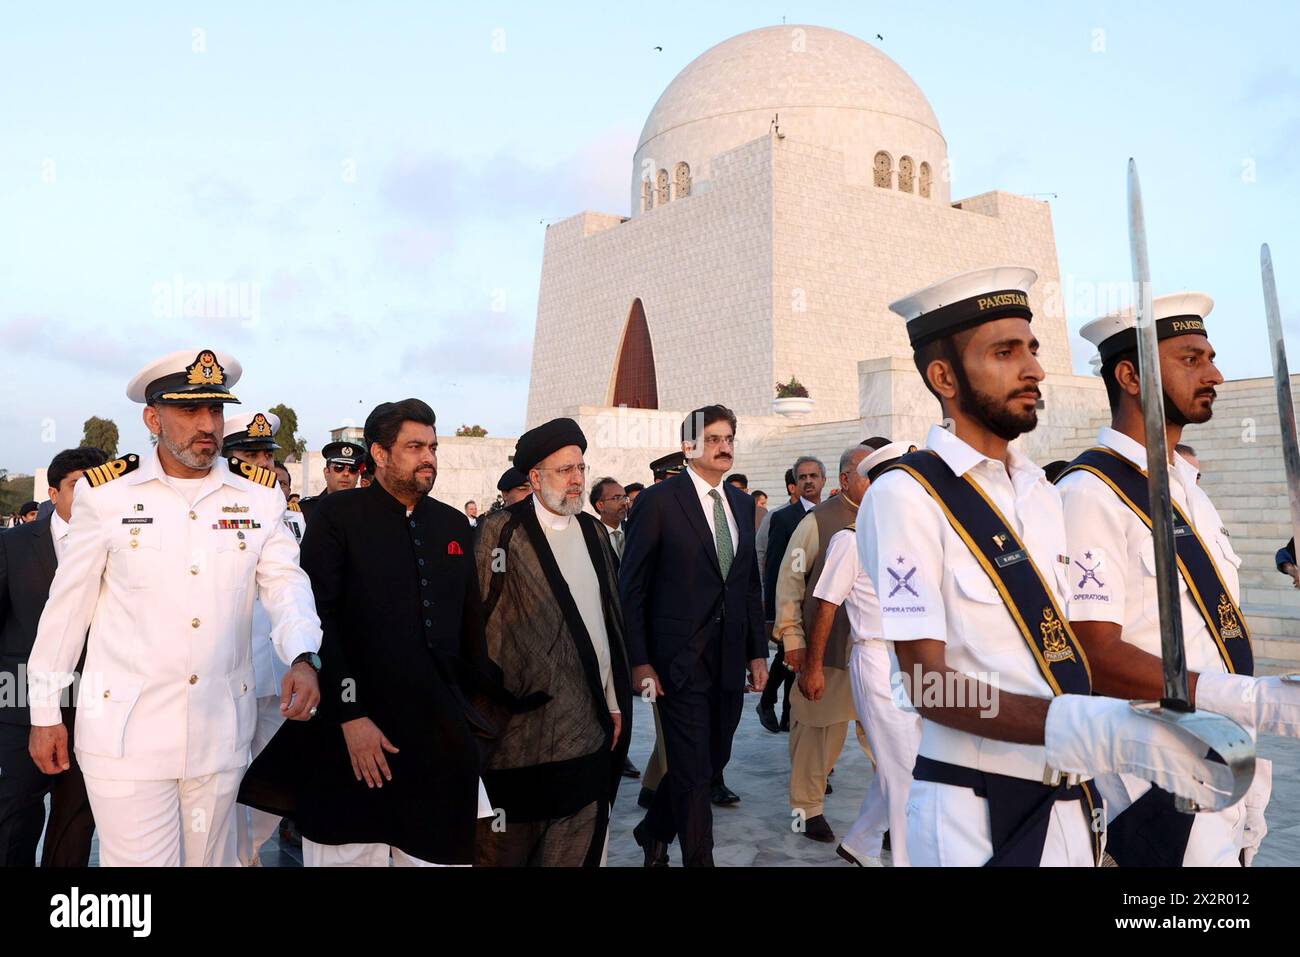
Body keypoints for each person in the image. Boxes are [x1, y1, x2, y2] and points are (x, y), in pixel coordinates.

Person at [861, 267, 1236, 866]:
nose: (1033, 369)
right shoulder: (907, 495)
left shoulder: (1041, 492)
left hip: (1070, 801)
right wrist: (1085, 726)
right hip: (974, 811)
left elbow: (1075, 647)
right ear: (943, 376)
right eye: (1004, 353)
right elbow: (927, 684)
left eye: (1032, 349)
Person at [26, 348, 322, 866]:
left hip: (220, 731)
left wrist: (302, 655)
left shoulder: (258, 498)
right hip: (126, 735)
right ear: (152, 417)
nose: (206, 425)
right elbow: (66, 609)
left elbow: (285, 584)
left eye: (214, 411)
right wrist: (46, 710)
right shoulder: (108, 495)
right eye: (190, 411)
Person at [1058, 294, 1270, 866]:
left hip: (1219, 750)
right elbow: (1093, 653)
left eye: (1211, 357)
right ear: (1131, 375)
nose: (1215, 374)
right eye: (1192, 359)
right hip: (1155, 766)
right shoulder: (1090, 492)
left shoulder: (1188, 491)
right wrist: (1245, 697)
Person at [239, 398, 495, 866]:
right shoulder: (336, 519)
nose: (429, 458)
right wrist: (350, 716)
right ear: (379, 454)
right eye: (415, 446)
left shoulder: (453, 525)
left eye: (433, 447)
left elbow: (468, 634)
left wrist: (474, 720)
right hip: (348, 743)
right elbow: (322, 622)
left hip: (435, 747)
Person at [473, 419, 632, 865]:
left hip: (589, 722)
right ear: (536, 478)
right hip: (521, 730)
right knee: (510, 845)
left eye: (580, 467)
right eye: (565, 470)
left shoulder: (595, 533)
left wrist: (614, 699)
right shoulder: (500, 533)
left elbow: (609, 628)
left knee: (580, 836)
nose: (577, 479)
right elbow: (481, 624)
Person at [620, 405, 768, 866]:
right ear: (689, 447)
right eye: (714, 439)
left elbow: (747, 584)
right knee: (691, 774)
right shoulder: (660, 501)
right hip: (675, 661)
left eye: (729, 438)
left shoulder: (743, 505)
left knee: (709, 761)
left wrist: (757, 653)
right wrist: (639, 661)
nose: (724, 447)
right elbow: (633, 587)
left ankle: (653, 830)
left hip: (727, 658)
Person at [810, 440, 923, 867]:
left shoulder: (913, 536)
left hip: (916, 660)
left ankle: (860, 842)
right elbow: (826, 604)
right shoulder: (851, 540)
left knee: (906, 761)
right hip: (876, 659)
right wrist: (814, 666)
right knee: (903, 769)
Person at [0, 446, 107, 866]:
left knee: (76, 821)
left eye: (100, 485)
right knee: (15, 816)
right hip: (20, 703)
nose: (90, 495)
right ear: (53, 492)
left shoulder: (125, 544)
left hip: (96, 705)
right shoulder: (14, 545)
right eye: (79, 485)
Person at [772, 442, 881, 843]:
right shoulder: (820, 521)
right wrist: (793, 638)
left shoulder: (893, 516)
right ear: (846, 480)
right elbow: (790, 580)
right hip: (830, 651)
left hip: (882, 655)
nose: (877, 482)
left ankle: (894, 810)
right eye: (869, 474)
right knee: (818, 734)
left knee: (888, 742)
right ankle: (808, 809)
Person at [217, 409, 307, 865]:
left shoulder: (294, 520)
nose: (263, 464)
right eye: (249, 454)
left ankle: (245, 854)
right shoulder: (209, 510)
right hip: (223, 672)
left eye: (267, 455)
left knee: (274, 784)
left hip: (278, 671)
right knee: (221, 782)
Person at [758, 457, 826, 733]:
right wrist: (772, 614)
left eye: (813, 476)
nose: (808, 481)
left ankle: (786, 712)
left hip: (822, 605)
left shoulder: (831, 514)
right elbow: (775, 567)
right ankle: (770, 702)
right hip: (793, 605)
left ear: (824, 480)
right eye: (802, 477)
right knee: (790, 654)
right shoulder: (783, 518)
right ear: (794, 485)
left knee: (795, 659)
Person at [298, 439, 365, 523]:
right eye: (339, 467)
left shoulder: (366, 510)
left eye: (353, 469)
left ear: (358, 475)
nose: (346, 473)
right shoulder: (304, 510)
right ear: (326, 473)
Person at [590, 477, 629, 562]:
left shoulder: (633, 531)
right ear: (600, 505)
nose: (624, 503)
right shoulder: (592, 539)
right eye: (616, 498)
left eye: (625, 497)